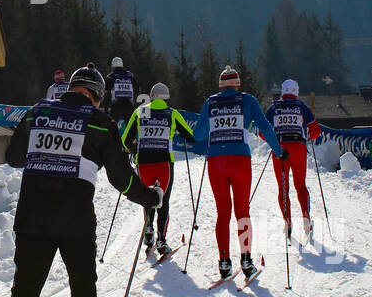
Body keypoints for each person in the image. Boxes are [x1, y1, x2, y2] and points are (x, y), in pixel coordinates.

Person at [3, 62, 162, 297]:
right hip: (75, 219)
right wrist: (151, 197)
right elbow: (121, 178)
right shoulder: (100, 122)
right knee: (83, 287)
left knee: (26, 288)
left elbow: (14, 157)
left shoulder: (37, 113)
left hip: (32, 215)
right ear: (99, 96)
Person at [193, 65, 286, 281]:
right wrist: (279, 151)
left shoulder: (211, 102)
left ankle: (224, 262)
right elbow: (265, 127)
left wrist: (213, 126)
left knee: (222, 213)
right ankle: (246, 260)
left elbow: (198, 134)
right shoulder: (248, 100)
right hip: (240, 160)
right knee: (242, 211)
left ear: (220, 85)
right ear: (237, 84)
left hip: (216, 161)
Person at [122, 82, 196, 257]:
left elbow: (125, 140)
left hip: (144, 162)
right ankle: (162, 240)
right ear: (167, 98)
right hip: (164, 163)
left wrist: (133, 148)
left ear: (152, 96)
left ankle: (149, 228)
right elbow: (190, 136)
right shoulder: (171, 113)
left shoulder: (142, 111)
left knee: (148, 198)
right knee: (163, 201)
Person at [266, 80, 322, 242]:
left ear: (282, 92)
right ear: (296, 92)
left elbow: (263, 130)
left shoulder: (274, 108)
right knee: (300, 185)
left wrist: (272, 142)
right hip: (298, 147)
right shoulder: (302, 107)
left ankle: (287, 222)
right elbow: (316, 131)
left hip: (280, 148)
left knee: (283, 187)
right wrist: (309, 137)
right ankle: (306, 217)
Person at [104, 56, 137, 130]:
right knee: (130, 129)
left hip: (116, 105)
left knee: (111, 128)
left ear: (113, 66)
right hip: (129, 105)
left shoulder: (110, 76)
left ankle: (111, 140)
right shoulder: (130, 75)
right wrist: (135, 104)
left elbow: (108, 95)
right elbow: (137, 89)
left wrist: (106, 111)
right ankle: (131, 140)